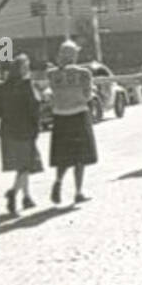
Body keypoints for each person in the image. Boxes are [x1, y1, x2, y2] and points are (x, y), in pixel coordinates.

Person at [46, 40, 97, 204]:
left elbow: (50, 94)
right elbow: (88, 95)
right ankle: (78, 191)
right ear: (73, 55)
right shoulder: (84, 73)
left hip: (60, 116)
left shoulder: (52, 74)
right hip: (79, 114)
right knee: (80, 157)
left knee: (63, 155)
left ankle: (59, 181)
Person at [0, 53, 43, 214]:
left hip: (7, 130)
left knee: (21, 165)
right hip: (25, 129)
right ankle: (14, 192)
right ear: (23, 69)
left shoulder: (2, 87)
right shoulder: (27, 85)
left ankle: (27, 197)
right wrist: (37, 125)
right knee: (26, 164)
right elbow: (35, 106)